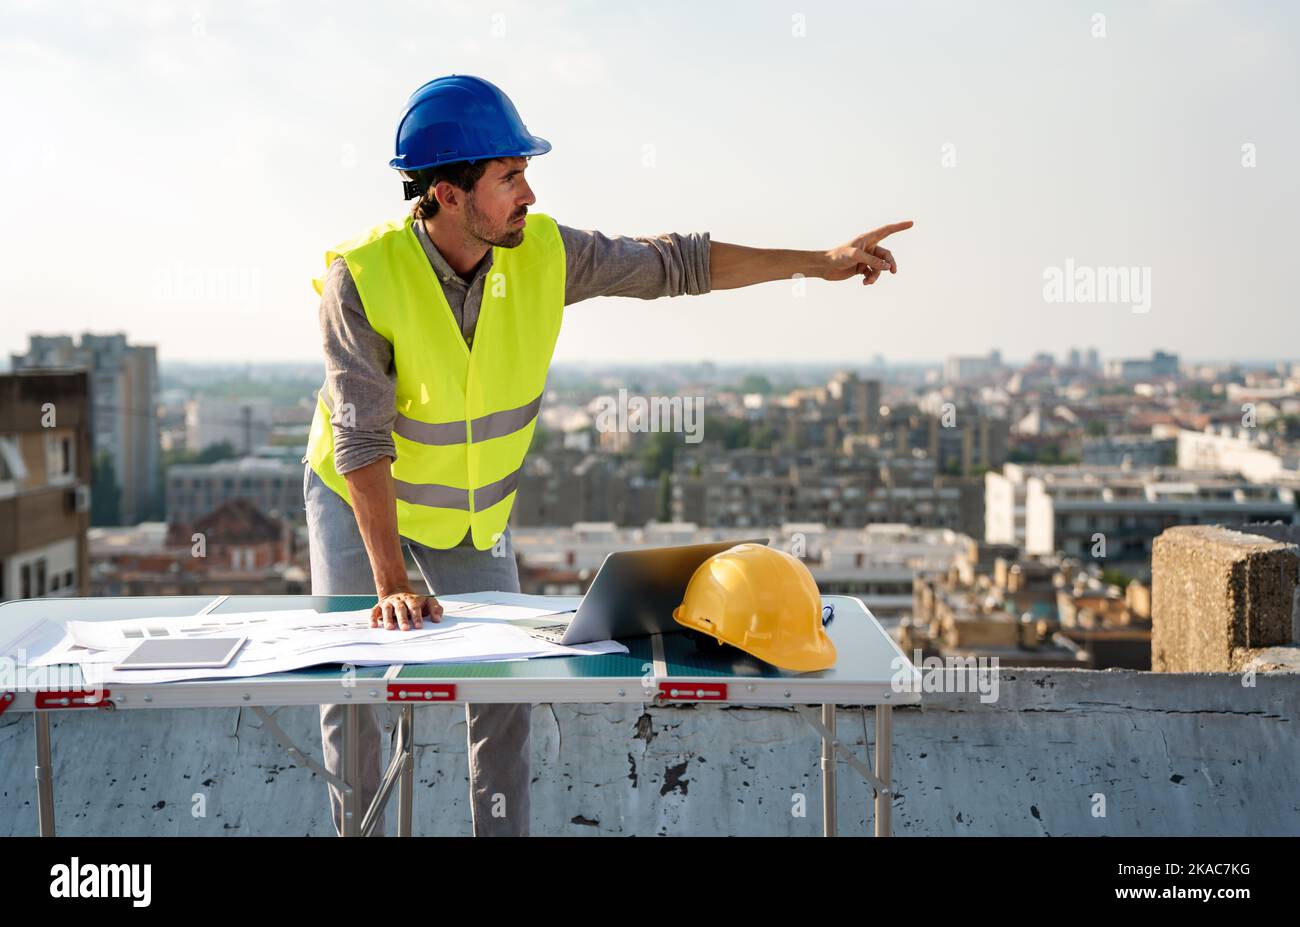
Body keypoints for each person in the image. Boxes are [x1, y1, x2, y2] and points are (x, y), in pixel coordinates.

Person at [304, 73, 911, 836]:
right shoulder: (361, 276)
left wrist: (817, 261)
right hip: (362, 496)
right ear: (449, 195)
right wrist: (390, 585)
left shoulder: (545, 253)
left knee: (503, 689)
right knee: (356, 675)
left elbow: (673, 263)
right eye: (511, 176)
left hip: (469, 510)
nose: (529, 192)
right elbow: (361, 439)